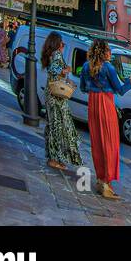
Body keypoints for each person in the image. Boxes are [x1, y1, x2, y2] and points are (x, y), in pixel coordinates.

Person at [79, 39, 131, 200]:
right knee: (110, 143)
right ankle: (106, 184)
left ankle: (100, 179)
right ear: (102, 52)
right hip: (106, 104)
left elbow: (83, 88)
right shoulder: (109, 68)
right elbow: (120, 90)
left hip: (93, 104)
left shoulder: (86, 67)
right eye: (108, 50)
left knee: (98, 142)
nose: (110, 53)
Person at [41, 31, 81, 172]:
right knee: (58, 126)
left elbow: (52, 70)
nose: (63, 46)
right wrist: (66, 70)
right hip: (56, 97)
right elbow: (54, 70)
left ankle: (53, 157)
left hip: (51, 93)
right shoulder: (57, 54)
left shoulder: (50, 54)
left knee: (53, 125)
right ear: (57, 44)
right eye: (62, 43)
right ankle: (54, 159)